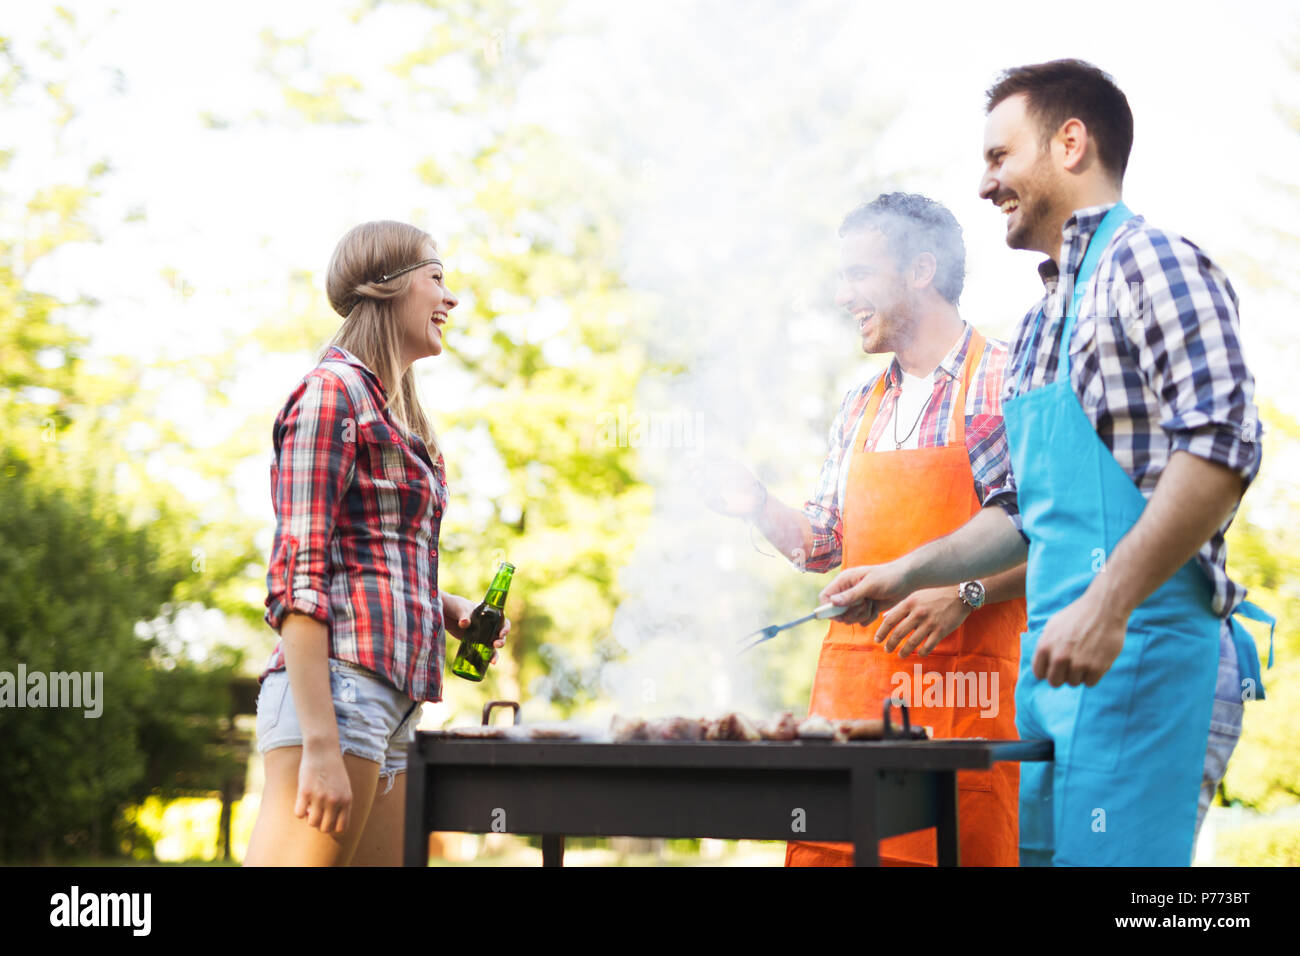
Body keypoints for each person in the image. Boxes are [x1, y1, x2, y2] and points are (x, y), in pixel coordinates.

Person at [822, 60, 1274, 866]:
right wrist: (905, 572)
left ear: (1071, 143)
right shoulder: (1036, 328)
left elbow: (1223, 446)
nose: (987, 183)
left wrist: (1107, 604)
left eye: (1000, 157)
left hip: (1148, 649)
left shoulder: (1153, 263)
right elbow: (1025, 514)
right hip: (1053, 675)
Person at [703, 192, 1027, 866]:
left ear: (921, 271)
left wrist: (964, 591)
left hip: (962, 704)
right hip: (856, 707)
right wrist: (759, 504)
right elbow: (824, 544)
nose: (843, 293)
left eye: (858, 273)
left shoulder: (1001, 378)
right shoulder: (859, 404)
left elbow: (1042, 529)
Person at [244, 220, 510, 866]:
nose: (451, 300)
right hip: (337, 698)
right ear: (388, 287)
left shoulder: (392, 413)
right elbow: (299, 580)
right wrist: (320, 744)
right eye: (437, 278)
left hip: (390, 708)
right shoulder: (331, 395)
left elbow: (361, 557)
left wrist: (440, 606)